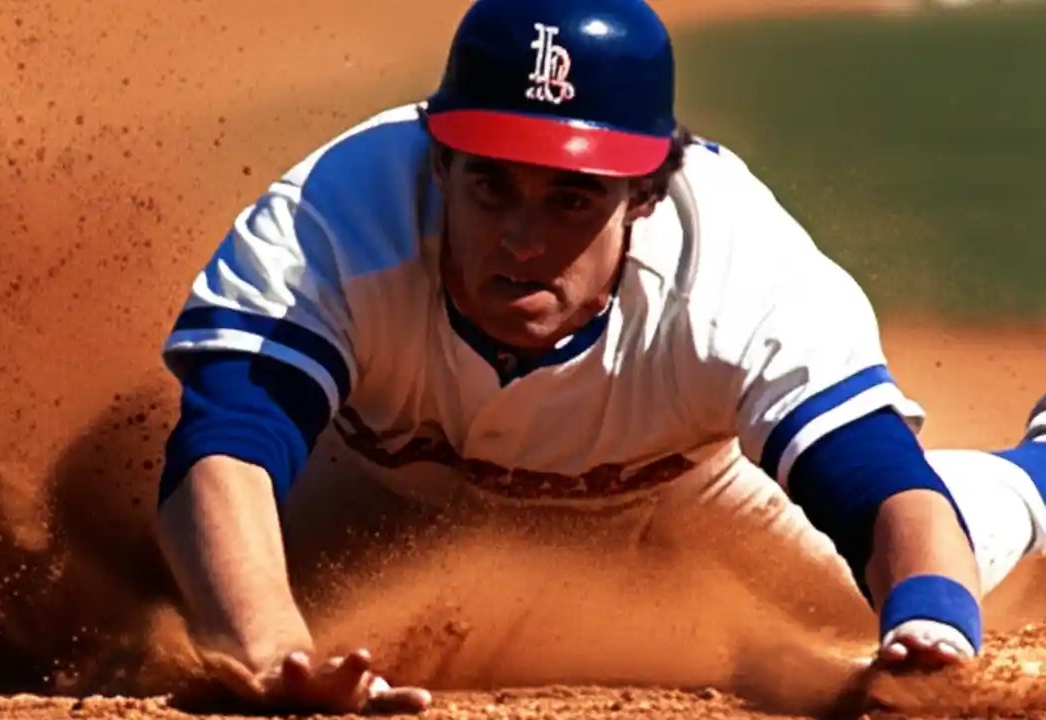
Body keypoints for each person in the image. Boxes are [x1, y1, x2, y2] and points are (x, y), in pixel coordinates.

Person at [152, 0, 1046, 713]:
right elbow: (228, 448)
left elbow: (882, 488)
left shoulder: (735, 276)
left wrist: (931, 627)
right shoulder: (333, 223)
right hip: (379, 484)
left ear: (646, 194)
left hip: (679, 495)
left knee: (874, 588)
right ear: (439, 163)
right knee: (215, 572)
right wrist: (270, 647)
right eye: (492, 185)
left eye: (571, 198)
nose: (521, 237)